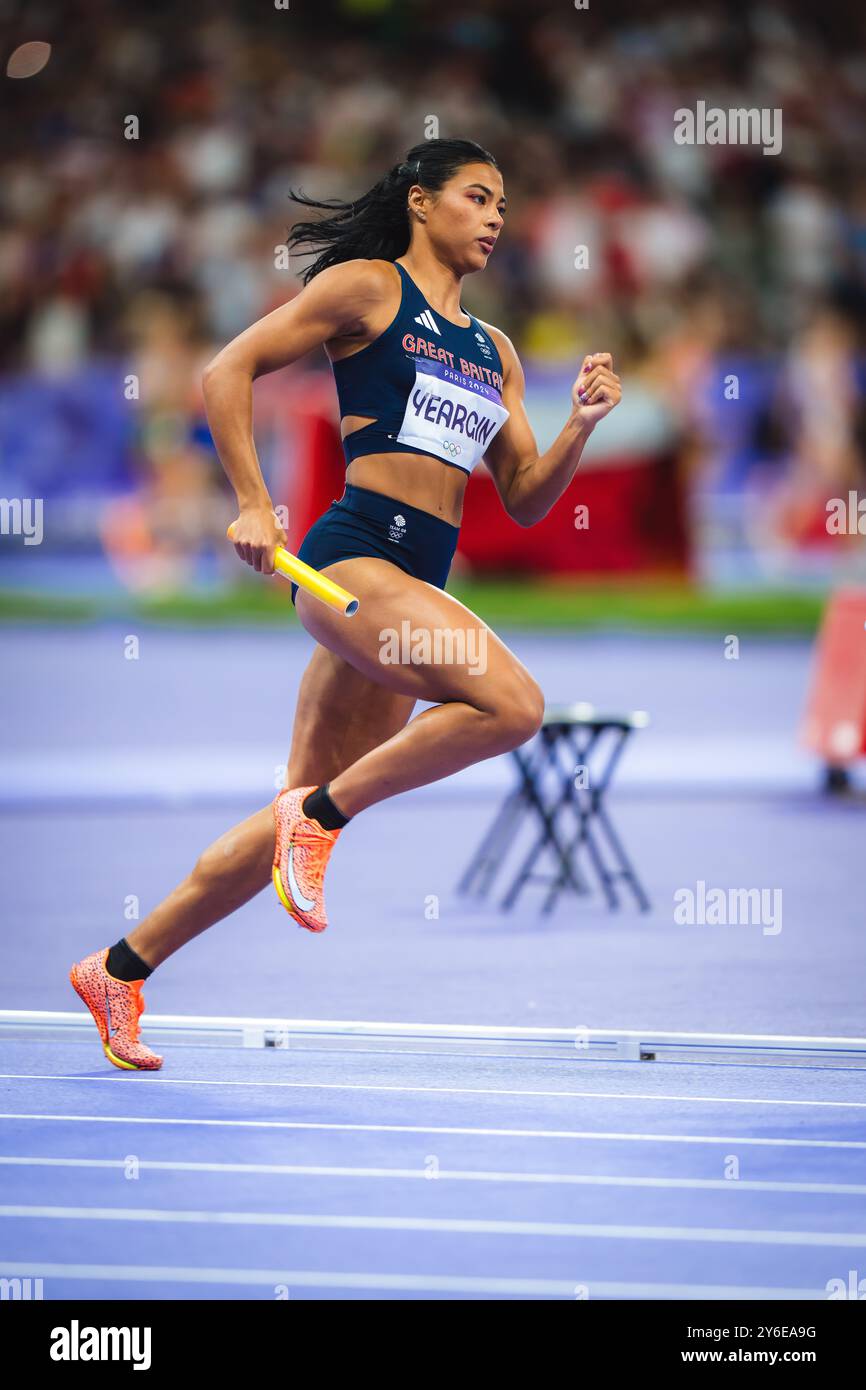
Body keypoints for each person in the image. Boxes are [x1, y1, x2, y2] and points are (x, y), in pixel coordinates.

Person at [69, 138, 622, 1070]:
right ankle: (324, 823)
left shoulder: (495, 351)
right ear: (420, 201)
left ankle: (120, 968)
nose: (496, 217)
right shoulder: (368, 289)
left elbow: (526, 497)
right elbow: (224, 373)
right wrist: (252, 502)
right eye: (477, 197)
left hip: (413, 588)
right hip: (353, 563)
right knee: (514, 707)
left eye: (502, 204)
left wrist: (578, 425)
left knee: (293, 802)